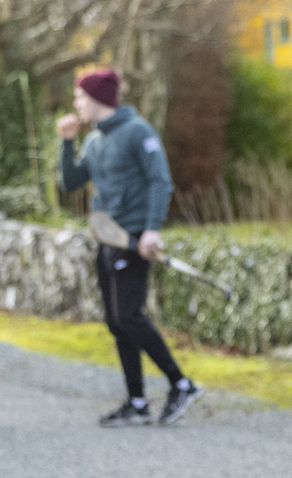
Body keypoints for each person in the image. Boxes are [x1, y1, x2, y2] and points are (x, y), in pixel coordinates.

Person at [57, 67, 203, 427]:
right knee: (115, 321)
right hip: (107, 238)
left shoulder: (137, 132)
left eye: (80, 97)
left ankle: (181, 384)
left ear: (96, 99)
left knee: (129, 315)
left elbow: (160, 180)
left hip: (135, 238)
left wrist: (153, 229)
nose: (76, 103)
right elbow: (71, 181)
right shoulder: (94, 141)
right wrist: (67, 142)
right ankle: (137, 402)